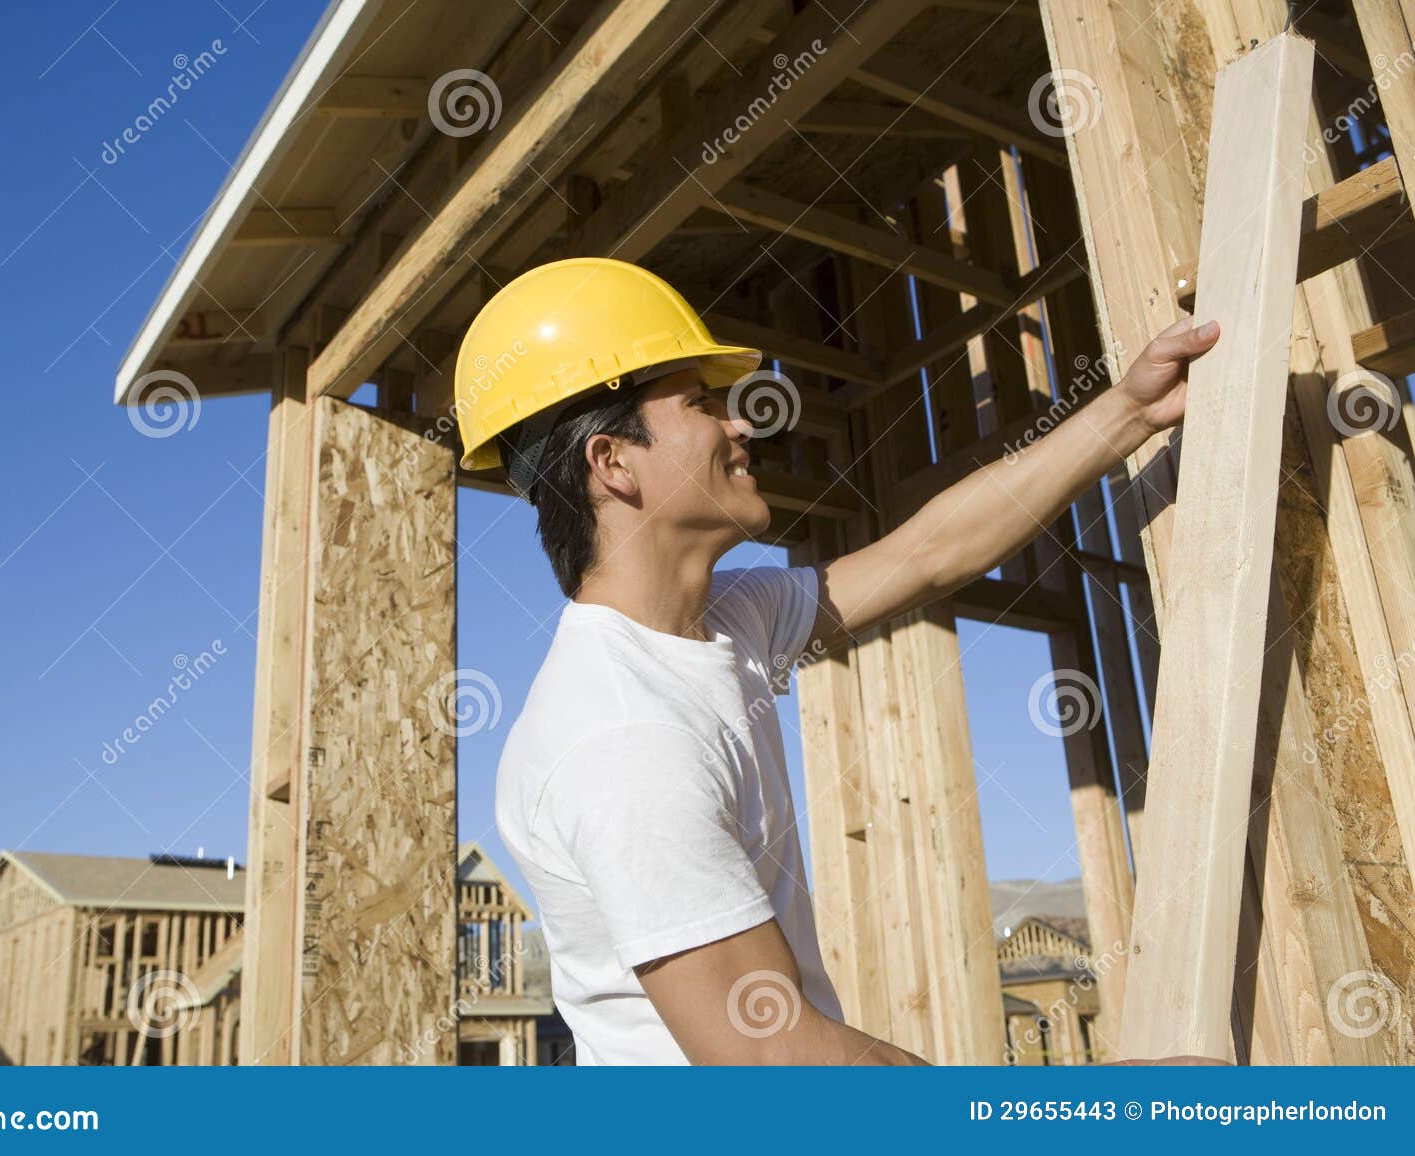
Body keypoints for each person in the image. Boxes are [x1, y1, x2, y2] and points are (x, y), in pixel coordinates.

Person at [456, 258, 1218, 1065]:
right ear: (613, 463)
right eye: (701, 404)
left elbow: (928, 553)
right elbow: (777, 1066)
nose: (741, 425)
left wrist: (1128, 414)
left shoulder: (724, 623)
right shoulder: (620, 736)